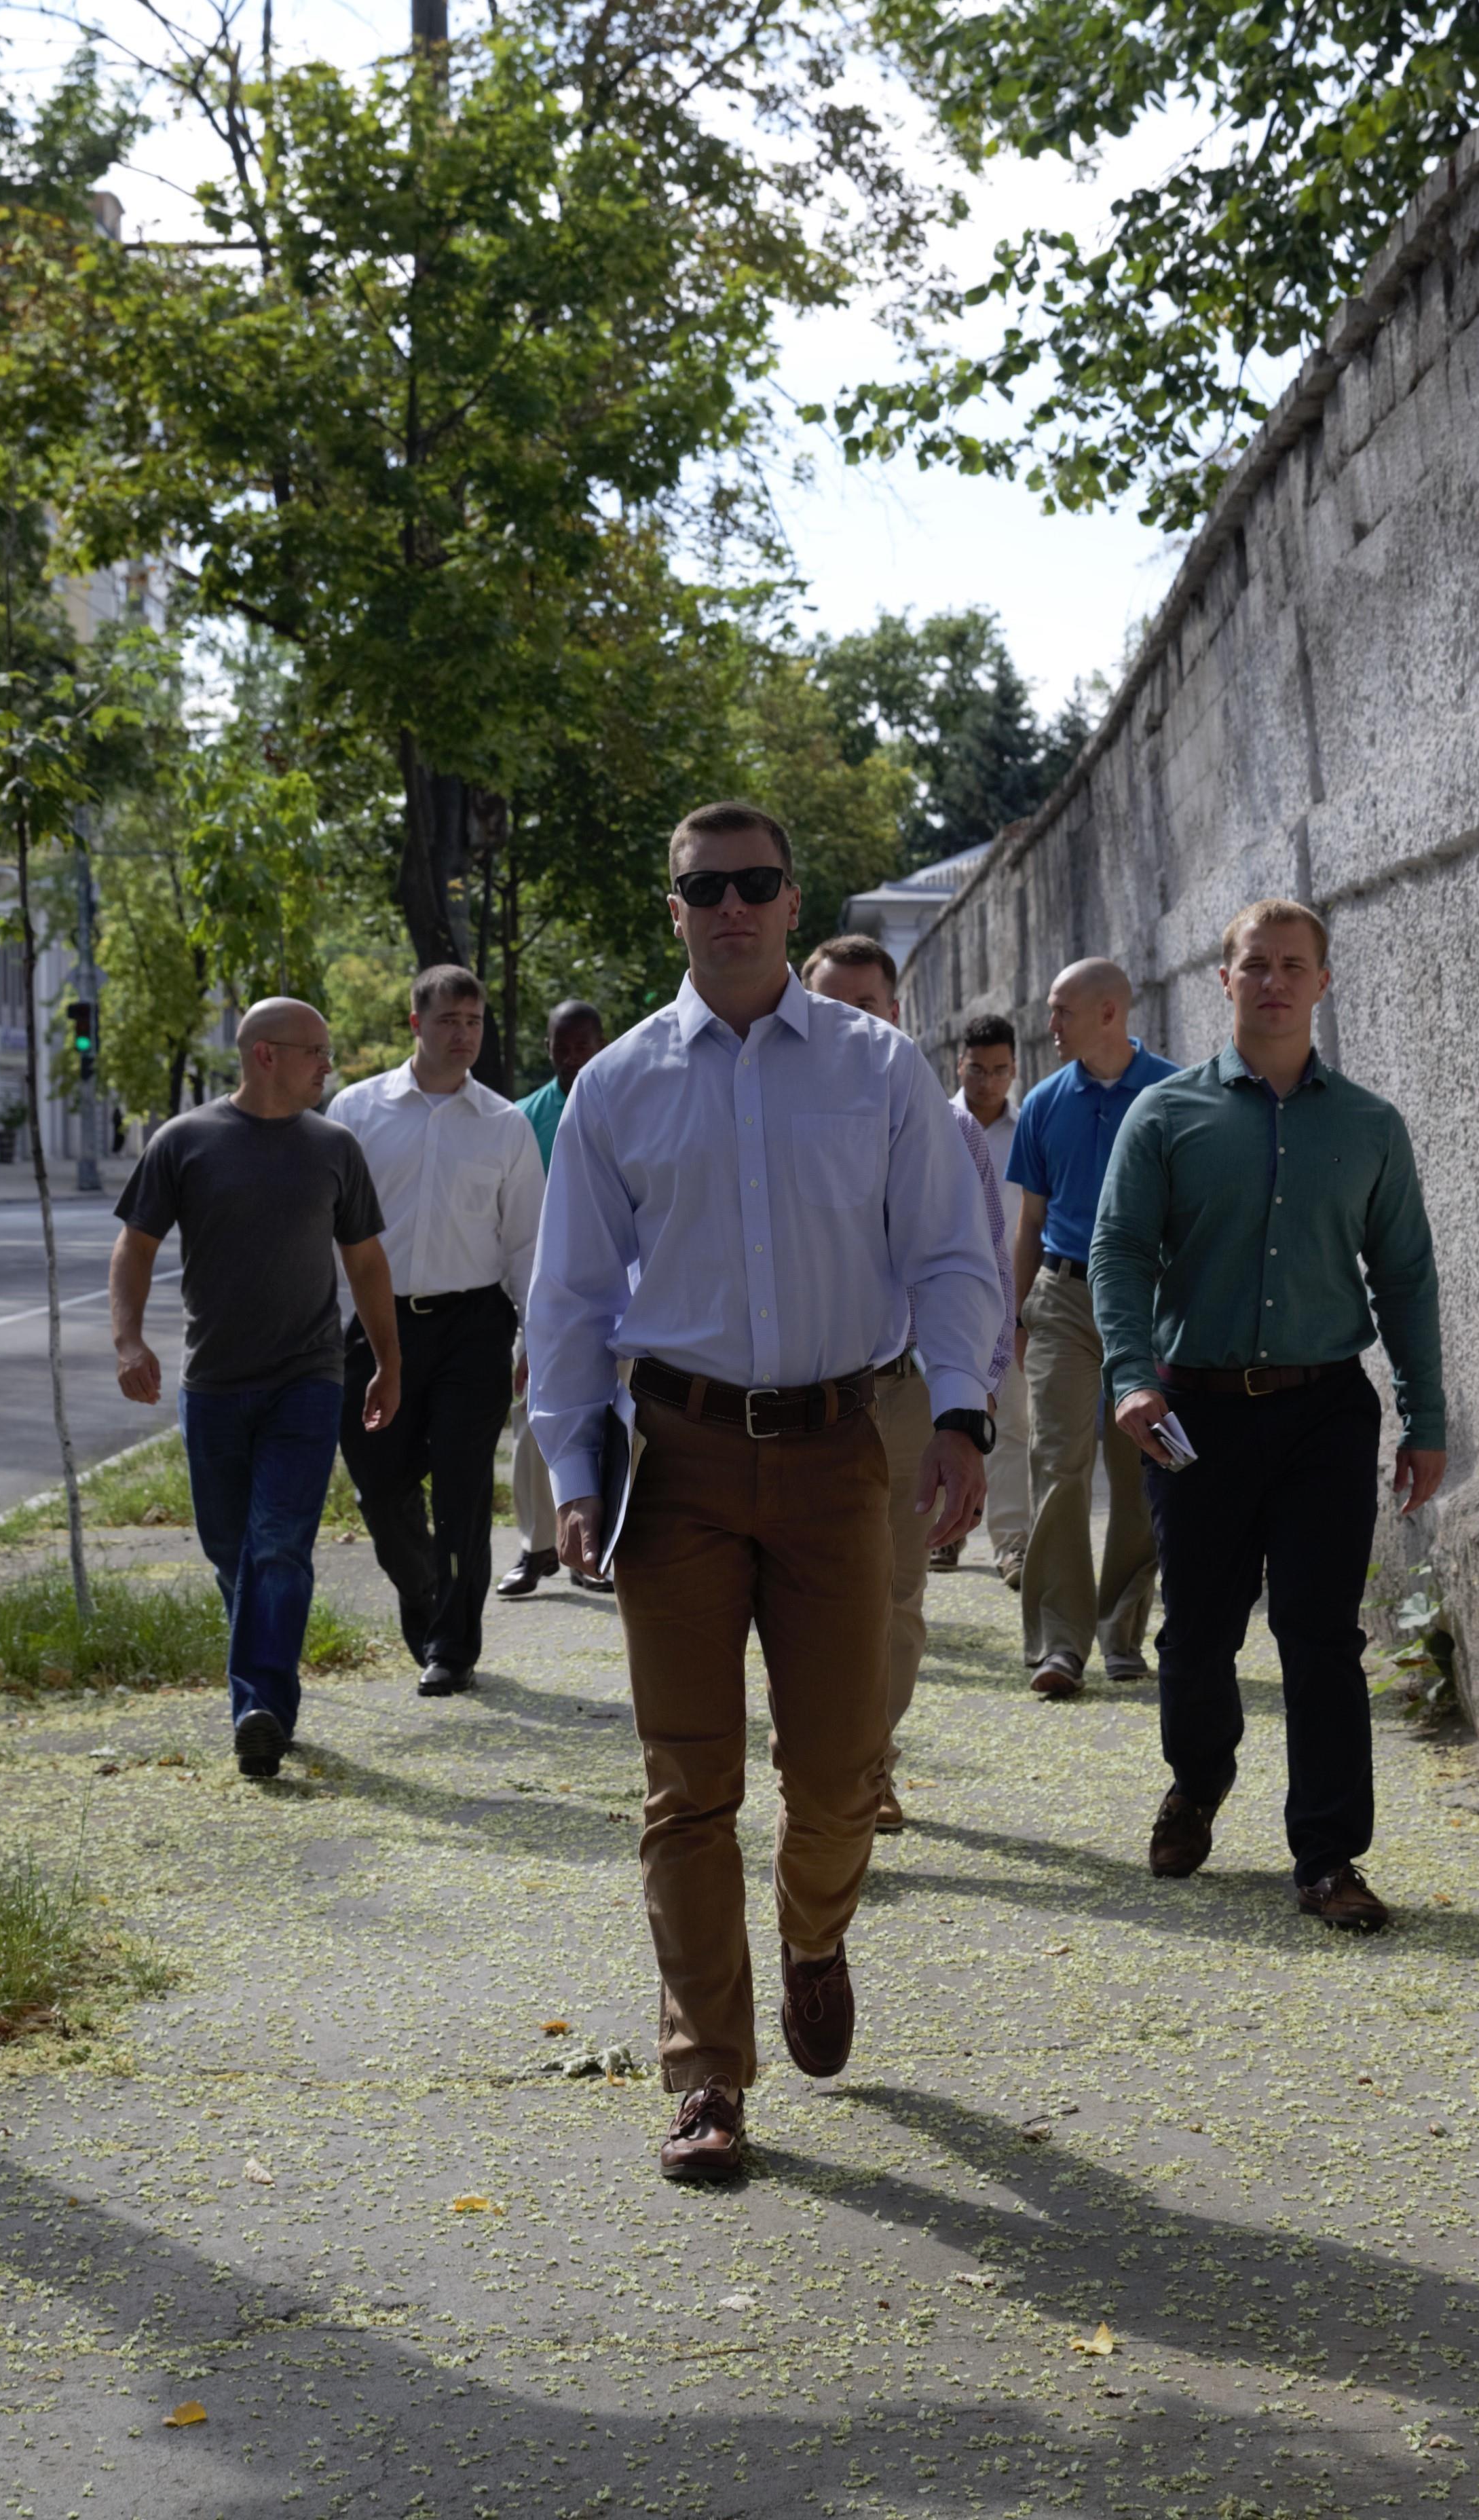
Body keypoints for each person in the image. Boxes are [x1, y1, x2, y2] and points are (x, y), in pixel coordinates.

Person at [524, 803, 999, 2186]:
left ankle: (813, 1935)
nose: (730, 906)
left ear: (794, 903)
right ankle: (707, 2078)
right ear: (670, 907)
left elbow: (952, 1257)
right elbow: (567, 1299)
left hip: (839, 1451)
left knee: (842, 1769)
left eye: (756, 884)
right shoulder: (619, 1086)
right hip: (673, 1462)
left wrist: (959, 1413)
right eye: (703, 887)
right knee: (687, 1786)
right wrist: (572, 1469)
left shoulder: (878, 1070)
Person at [1091, 899, 1446, 1931]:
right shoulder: (1166, 1117)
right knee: (1197, 1631)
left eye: (1296, 967)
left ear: (1323, 983)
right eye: (1257, 966)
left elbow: (1407, 1277)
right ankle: (1198, 1781)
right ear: (1226, 979)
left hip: (1324, 1411)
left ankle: (1328, 1855)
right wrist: (1129, 1376)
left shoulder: (1370, 1126)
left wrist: (1425, 1419)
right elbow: (1118, 1253)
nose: (1276, 983)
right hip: (1195, 1411)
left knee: (1319, 1629)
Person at [109, 998, 397, 1781]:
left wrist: (387, 1362)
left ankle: (259, 1708)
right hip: (213, 1387)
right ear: (265, 1055)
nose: (328, 1067)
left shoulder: (335, 1147)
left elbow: (366, 1263)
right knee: (232, 1554)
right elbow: (135, 1246)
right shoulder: (185, 1142)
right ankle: (265, 1691)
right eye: (316, 1052)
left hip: (307, 1381)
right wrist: (128, 1338)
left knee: (278, 1546)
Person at [799, 934, 1011, 1836]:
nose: (850, 1021)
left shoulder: (948, 1127)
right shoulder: (757, 1117)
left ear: (897, 1017)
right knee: (793, 1598)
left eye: (869, 1006)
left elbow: (978, 1268)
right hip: (782, 1401)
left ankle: (867, 1765)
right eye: (829, 1003)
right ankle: (811, 1765)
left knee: (892, 1595)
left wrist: (973, 1401)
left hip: (899, 1397)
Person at [326, 965, 546, 1697]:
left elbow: (526, 1244)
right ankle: (423, 1596)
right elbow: (328, 1231)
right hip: (377, 1324)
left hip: (472, 1327)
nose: (464, 1034)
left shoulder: (505, 1126)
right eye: (449, 1020)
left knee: (460, 1491)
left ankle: (453, 1646)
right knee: (382, 1488)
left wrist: (533, 1339)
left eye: (475, 1021)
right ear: (416, 1024)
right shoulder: (356, 1112)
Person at [1005, 957, 1176, 1697]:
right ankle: (1057, 1643)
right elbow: (1031, 1224)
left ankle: (1122, 1633)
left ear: (1110, 1012)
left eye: (1060, 1011)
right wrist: (1018, 1317)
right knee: (1057, 1464)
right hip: (1064, 1299)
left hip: (1147, 1301)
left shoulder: (1176, 1095)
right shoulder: (1044, 1103)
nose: (1049, 1026)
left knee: (1141, 1470)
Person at [499, 999, 616, 1601]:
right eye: (562, 1047)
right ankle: (537, 1545)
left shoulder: (626, 1100)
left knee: (612, 1415)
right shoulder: (523, 1121)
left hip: (620, 1289)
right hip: (545, 1294)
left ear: (602, 1043)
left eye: (584, 1045)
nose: (573, 1058)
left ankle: (595, 1542)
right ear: (547, 1048)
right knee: (533, 1417)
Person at [940, 1013, 1031, 1586]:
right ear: (959, 1065)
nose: (989, 1083)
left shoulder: (1028, 1131)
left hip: (1013, 1299)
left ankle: (1014, 1543)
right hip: (948, 1298)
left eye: (1000, 1071)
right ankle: (946, 1536)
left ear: (1014, 1069)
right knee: (945, 1420)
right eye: (978, 1070)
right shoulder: (934, 1123)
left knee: (1014, 1425)